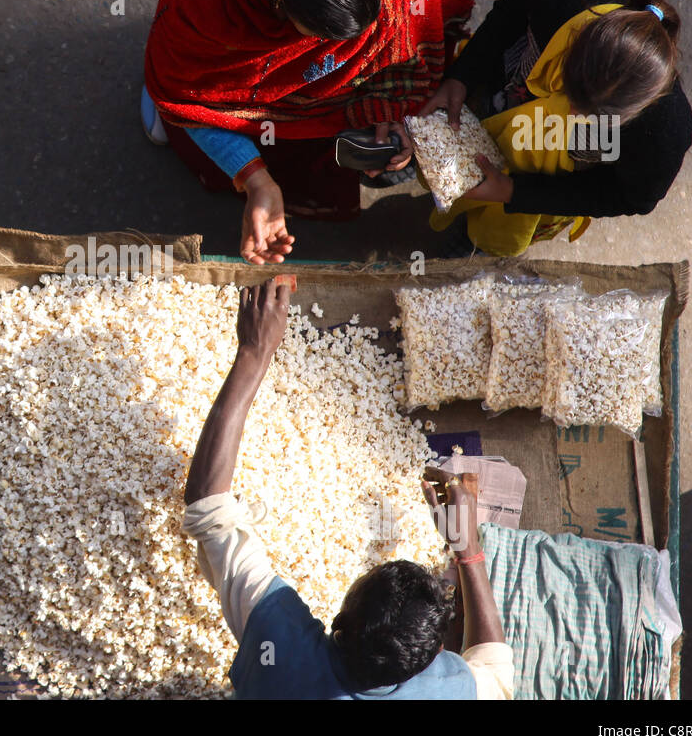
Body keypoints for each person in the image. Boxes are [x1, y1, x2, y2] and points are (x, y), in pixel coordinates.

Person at [182, 278, 514, 698]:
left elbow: (207, 505)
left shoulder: (283, 652)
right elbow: (498, 677)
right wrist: (468, 550)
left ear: (336, 625)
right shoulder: (441, 692)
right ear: (435, 657)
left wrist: (255, 351)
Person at [141, 0, 473, 264]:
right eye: (321, 37)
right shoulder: (202, 8)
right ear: (278, 3)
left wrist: (391, 113)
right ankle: (157, 105)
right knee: (180, 107)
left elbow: (400, 50)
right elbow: (186, 93)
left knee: (338, 145)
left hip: (316, 106)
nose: (345, 51)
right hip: (220, 91)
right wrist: (257, 180)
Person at [407, 0, 692, 257]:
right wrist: (462, 76)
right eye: (567, 90)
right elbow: (512, 8)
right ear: (576, 40)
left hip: (548, 185)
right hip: (499, 99)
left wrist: (514, 193)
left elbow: (626, 196)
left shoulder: (663, 133)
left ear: (634, 114)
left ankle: (474, 241)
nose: (567, 114)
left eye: (591, 117)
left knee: (485, 235)